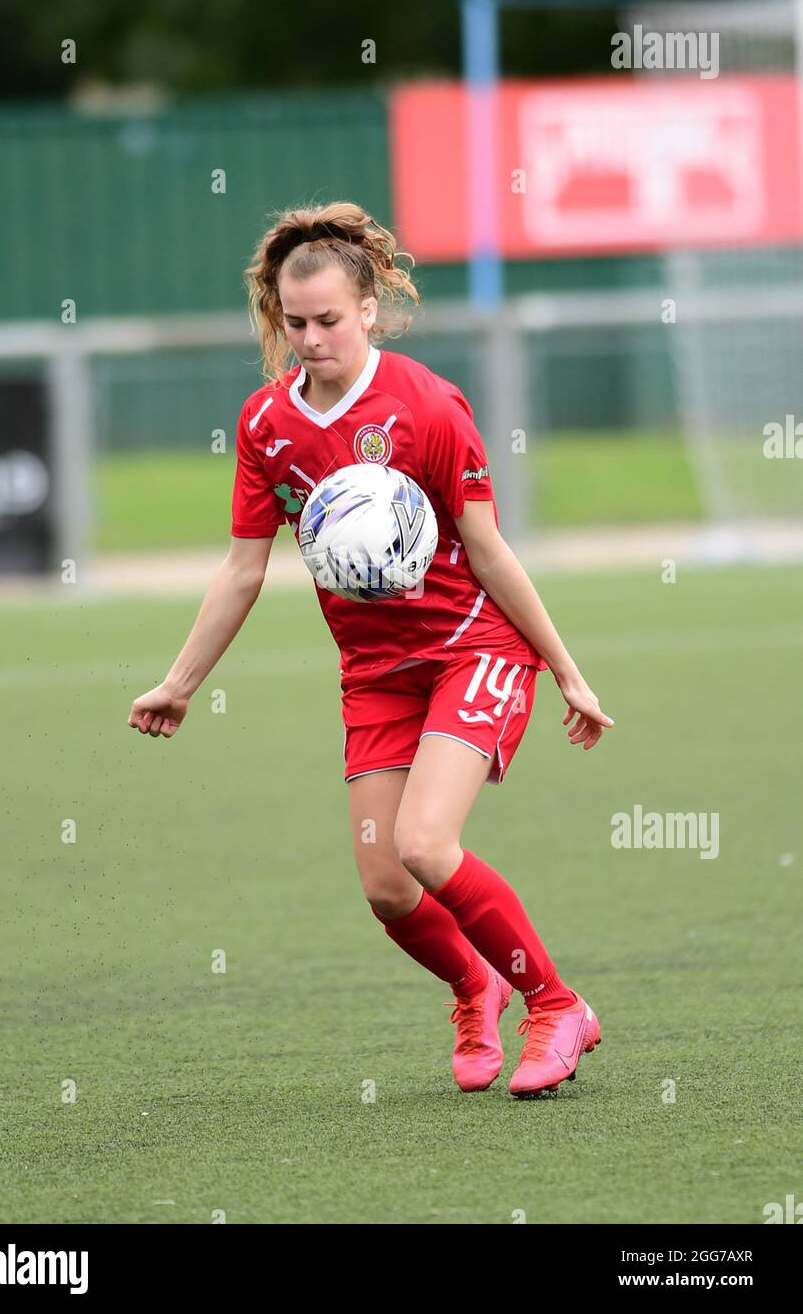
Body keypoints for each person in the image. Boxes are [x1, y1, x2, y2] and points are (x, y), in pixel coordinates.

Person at [128, 201, 614, 1098]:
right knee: (390, 887)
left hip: (476, 646)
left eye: (329, 321)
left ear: (371, 312)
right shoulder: (266, 425)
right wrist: (179, 683)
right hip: (376, 672)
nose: (310, 339)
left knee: (427, 843)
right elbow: (242, 571)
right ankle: (476, 986)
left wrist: (569, 672)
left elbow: (492, 549)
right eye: (294, 322)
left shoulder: (429, 406)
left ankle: (555, 1005)